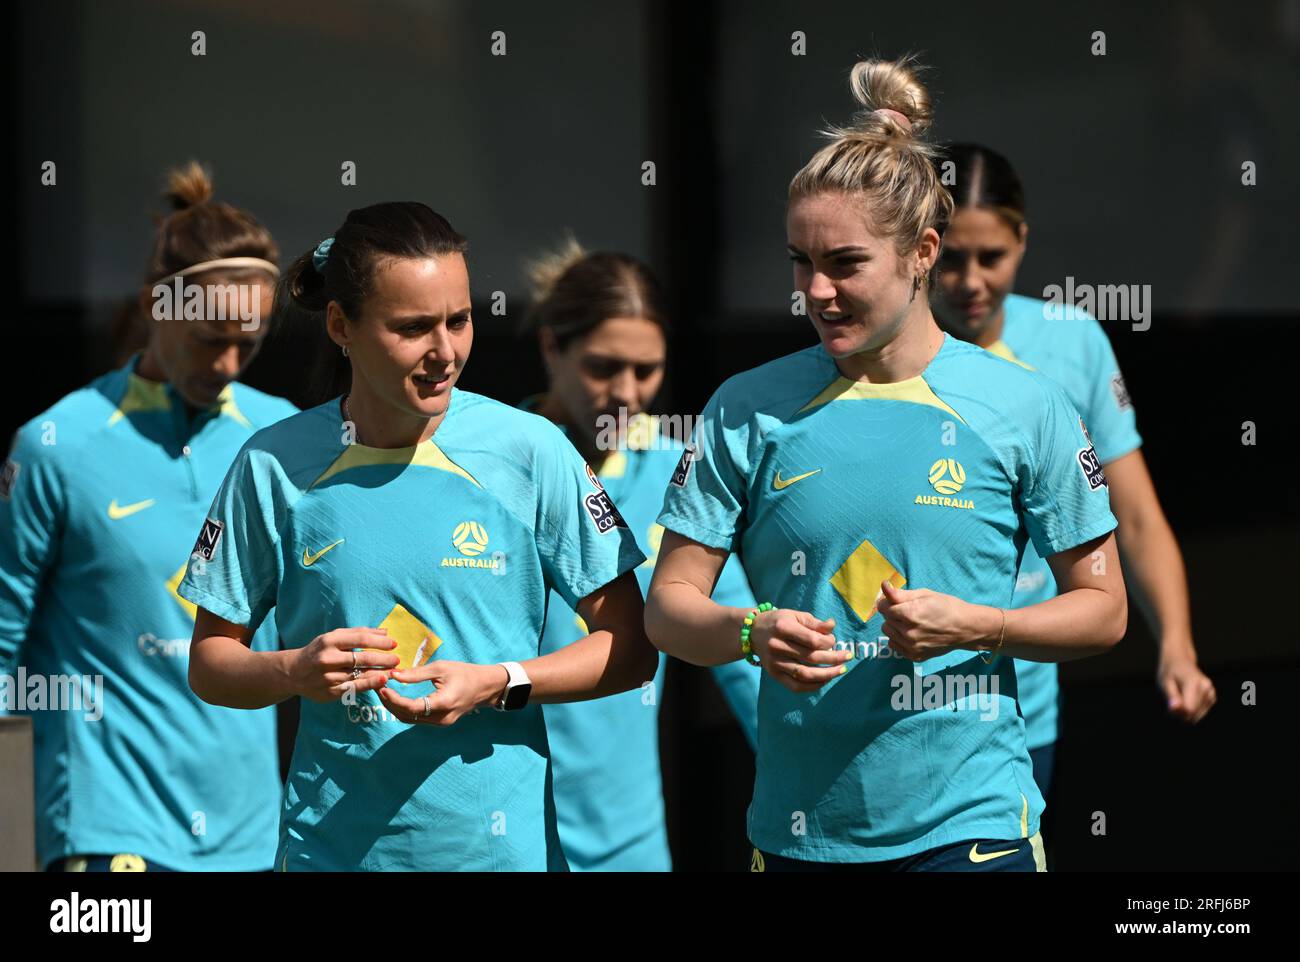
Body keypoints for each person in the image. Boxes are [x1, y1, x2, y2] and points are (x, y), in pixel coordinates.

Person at [645, 57, 1128, 872]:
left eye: (845, 263)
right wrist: (752, 631)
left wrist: (982, 626)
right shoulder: (744, 406)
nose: (817, 291)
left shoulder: (1024, 405)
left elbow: (1104, 611)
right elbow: (668, 609)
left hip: (972, 831)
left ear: (921, 254)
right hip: (801, 835)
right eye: (801, 261)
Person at [178, 201, 657, 871]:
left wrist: (500, 681)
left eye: (458, 321)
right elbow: (210, 663)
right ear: (341, 325)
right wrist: (295, 669)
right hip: (331, 855)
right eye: (412, 328)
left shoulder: (531, 451)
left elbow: (632, 648)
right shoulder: (271, 463)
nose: (444, 351)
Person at [0, 162, 295, 871]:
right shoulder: (57, 445)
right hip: (108, 832)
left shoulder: (283, 439)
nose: (228, 362)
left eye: (248, 343)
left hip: (252, 839)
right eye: (208, 337)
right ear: (155, 305)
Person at [930, 143, 1217, 814]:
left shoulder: (1072, 340)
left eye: (991, 257)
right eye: (950, 259)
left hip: (1023, 708)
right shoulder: (879, 357)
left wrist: (1176, 644)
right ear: (920, 248)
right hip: (903, 702)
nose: (970, 281)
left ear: (1023, 240)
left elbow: (1136, 518)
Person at [521, 239, 760, 870]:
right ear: (552, 347)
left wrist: (821, 760)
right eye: (603, 366)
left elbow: (740, 650)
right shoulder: (484, 464)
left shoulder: (674, 472)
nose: (626, 392)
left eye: (647, 370)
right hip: (500, 833)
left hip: (630, 843)